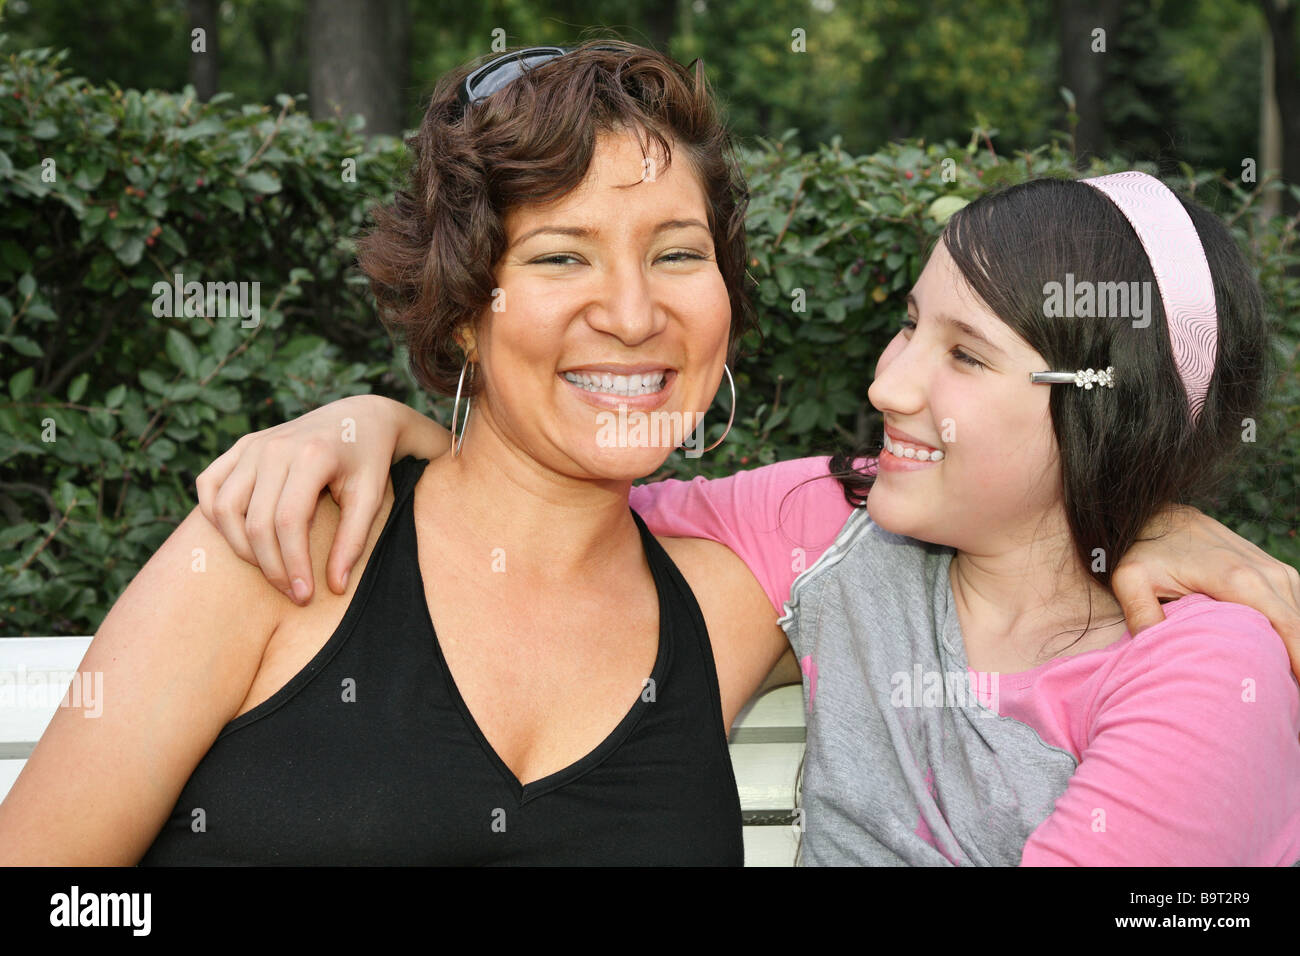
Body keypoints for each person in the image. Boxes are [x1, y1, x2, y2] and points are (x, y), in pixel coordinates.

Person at [202, 173, 1300, 864]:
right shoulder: (843, 524)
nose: (890, 385)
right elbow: (554, 495)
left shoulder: (1199, 667)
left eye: (964, 355)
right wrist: (377, 422)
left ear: (1112, 411)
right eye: (909, 326)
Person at [0, 40, 782, 865]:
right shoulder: (283, 544)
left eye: (678, 254)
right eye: (561, 256)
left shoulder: (728, 605)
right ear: (460, 312)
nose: (632, 315)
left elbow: (914, 484)